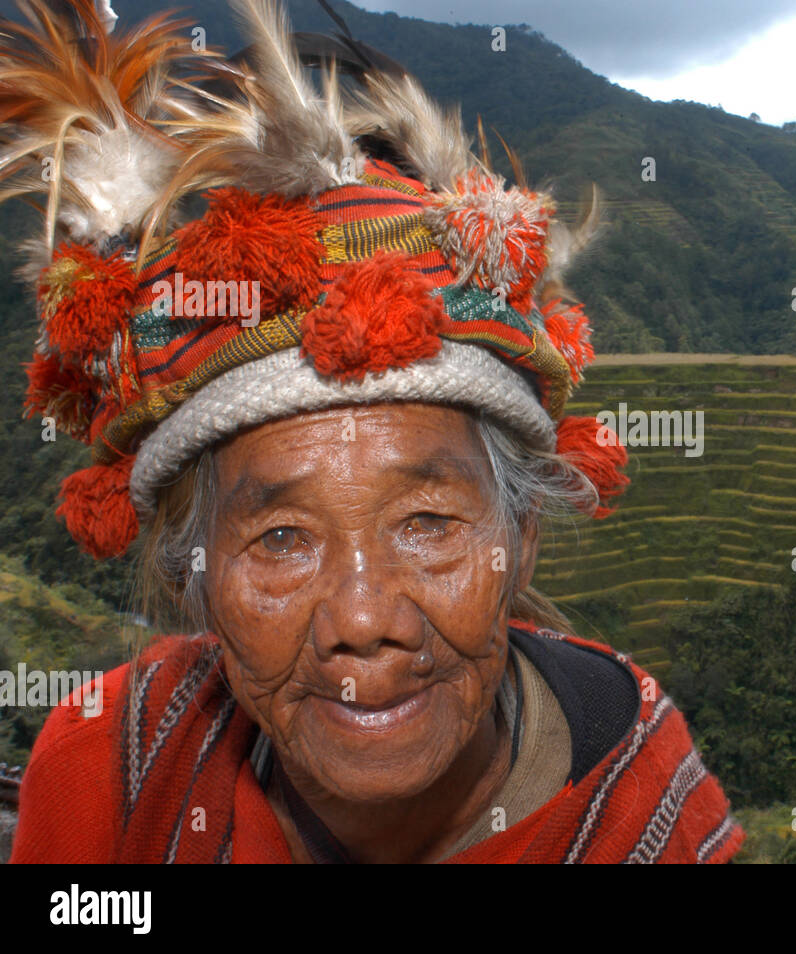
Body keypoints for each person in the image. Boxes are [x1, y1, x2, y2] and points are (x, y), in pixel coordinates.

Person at [5, 0, 743, 864]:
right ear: (194, 574)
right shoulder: (107, 774)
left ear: (522, 537)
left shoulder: (637, 814)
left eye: (428, 522)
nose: (363, 616)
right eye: (281, 538)